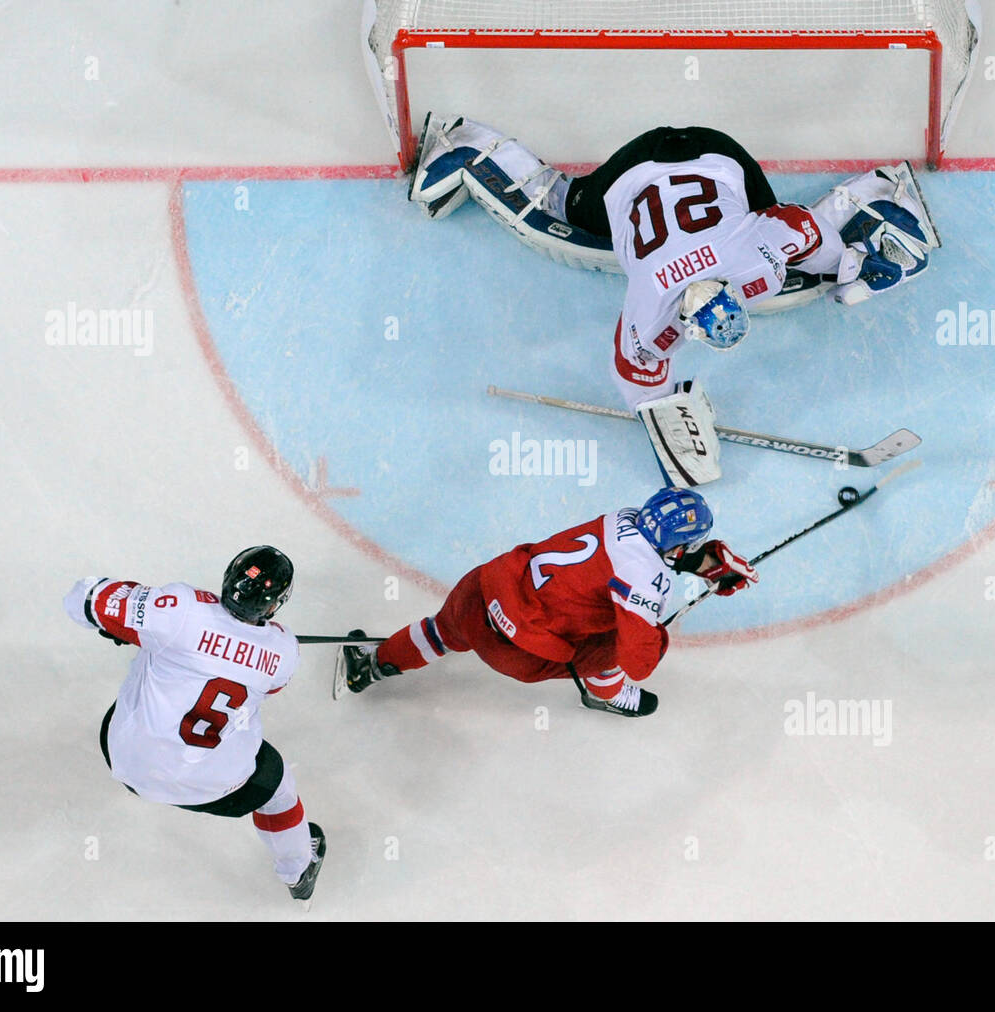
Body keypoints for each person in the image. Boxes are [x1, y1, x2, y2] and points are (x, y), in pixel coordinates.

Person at [408, 118, 940, 486]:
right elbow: (802, 228)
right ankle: (466, 145)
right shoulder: (674, 288)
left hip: (681, 156)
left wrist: (659, 411)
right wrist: (848, 265)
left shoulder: (679, 288)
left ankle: (470, 142)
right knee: (563, 209)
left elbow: (635, 366)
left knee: (565, 204)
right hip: (708, 151)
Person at [339, 487, 758, 716]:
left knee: (444, 630)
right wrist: (657, 631)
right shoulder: (644, 581)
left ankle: (373, 665)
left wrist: (703, 563)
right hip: (518, 653)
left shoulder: (626, 516)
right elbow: (640, 662)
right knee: (620, 642)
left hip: (482, 591)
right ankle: (605, 693)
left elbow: (637, 556)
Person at [63, 546, 326, 906]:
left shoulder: (177, 608)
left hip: (127, 761)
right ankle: (297, 872)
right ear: (273, 605)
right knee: (277, 788)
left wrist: (131, 614)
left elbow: (82, 599)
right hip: (217, 789)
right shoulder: (283, 651)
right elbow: (269, 684)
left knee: (148, 681)